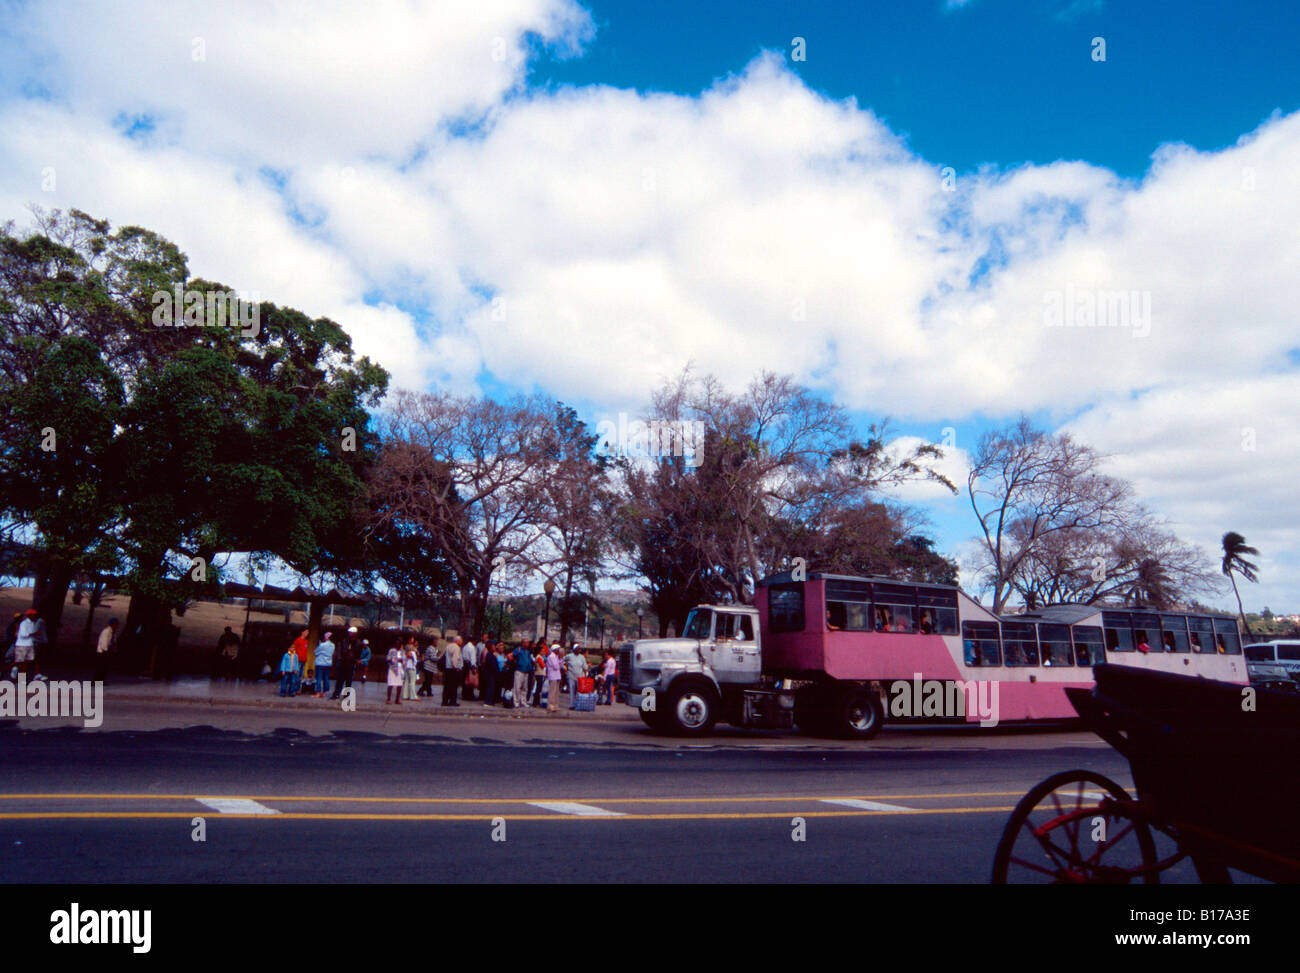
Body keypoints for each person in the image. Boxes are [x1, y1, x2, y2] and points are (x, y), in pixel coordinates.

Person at [10, 609, 39, 679]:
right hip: (22, 645)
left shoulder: (32, 623)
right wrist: (34, 634)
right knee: (20, 663)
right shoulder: (24, 624)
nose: (35, 616)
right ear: (29, 616)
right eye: (34, 615)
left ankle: (21, 680)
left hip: (29, 645)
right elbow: (23, 635)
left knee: (25, 664)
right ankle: (5, 670)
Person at [331, 628, 358, 700]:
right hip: (343, 663)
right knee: (340, 680)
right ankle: (336, 694)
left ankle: (346, 695)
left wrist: (354, 658)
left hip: (350, 663)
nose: (350, 634)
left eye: (351, 632)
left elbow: (357, 652)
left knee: (348, 681)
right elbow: (340, 651)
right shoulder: (344, 641)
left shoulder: (357, 643)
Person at [93, 618, 119, 683]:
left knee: (105, 667)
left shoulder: (113, 632)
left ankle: (101, 680)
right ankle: (96, 681)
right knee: (100, 667)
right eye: (116, 624)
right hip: (102, 652)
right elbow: (104, 642)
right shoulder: (106, 631)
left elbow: (113, 641)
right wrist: (106, 650)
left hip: (108, 651)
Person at [441, 637, 464, 706]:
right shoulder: (457, 648)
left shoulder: (448, 646)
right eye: (461, 641)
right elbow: (455, 659)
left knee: (447, 686)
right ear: (457, 641)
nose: (461, 642)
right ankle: (452, 701)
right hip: (454, 669)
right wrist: (456, 667)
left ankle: (445, 701)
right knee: (454, 686)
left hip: (447, 668)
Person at [512, 641, 534, 709]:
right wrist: (517, 663)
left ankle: (523, 701)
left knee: (524, 688)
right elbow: (513, 656)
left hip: (526, 671)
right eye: (526, 642)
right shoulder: (518, 649)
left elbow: (529, 660)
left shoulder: (527, 651)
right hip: (519, 670)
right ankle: (516, 702)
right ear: (523, 643)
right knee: (517, 687)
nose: (527, 644)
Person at [313, 632, 334, 697]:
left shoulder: (322, 645)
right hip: (328, 663)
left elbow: (315, 652)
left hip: (320, 663)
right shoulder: (333, 645)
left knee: (319, 678)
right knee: (326, 678)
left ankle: (318, 692)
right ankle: (324, 692)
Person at [290, 628, 310, 695]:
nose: (307, 633)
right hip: (297, 660)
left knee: (300, 676)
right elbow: (293, 649)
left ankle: (298, 689)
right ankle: (293, 690)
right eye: (306, 632)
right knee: (296, 676)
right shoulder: (297, 640)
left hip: (303, 660)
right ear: (302, 632)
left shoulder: (306, 641)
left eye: (308, 632)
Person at [566, 644, 587, 709]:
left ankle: (578, 704)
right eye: (577, 649)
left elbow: (585, 667)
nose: (579, 650)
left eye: (579, 649)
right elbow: (562, 661)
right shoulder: (569, 656)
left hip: (579, 677)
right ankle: (572, 705)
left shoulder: (582, 657)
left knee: (579, 691)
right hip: (571, 676)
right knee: (572, 691)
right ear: (574, 650)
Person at [479, 637, 498, 705]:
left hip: (491, 673)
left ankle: (490, 700)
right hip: (490, 673)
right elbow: (491, 665)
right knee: (489, 687)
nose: (495, 647)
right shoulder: (489, 655)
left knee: (491, 687)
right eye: (493, 646)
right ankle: (488, 701)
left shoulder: (491, 654)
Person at [545, 643, 563, 712]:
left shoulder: (556, 656)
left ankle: (555, 705)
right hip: (553, 676)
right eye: (558, 649)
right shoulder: (551, 657)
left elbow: (560, 665)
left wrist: (561, 659)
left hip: (557, 676)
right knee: (552, 692)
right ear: (554, 650)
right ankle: (550, 705)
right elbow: (556, 667)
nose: (559, 651)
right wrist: (560, 661)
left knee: (556, 692)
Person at [386, 640, 404, 704]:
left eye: (399, 644)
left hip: (400, 669)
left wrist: (402, 661)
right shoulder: (391, 651)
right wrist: (395, 661)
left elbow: (404, 660)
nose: (398, 645)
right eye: (397, 644)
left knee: (399, 685)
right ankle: (388, 699)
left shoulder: (402, 651)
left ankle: (397, 699)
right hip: (392, 669)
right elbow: (388, 659)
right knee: (390, 684)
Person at [461, 636, 478, 701]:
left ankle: (464, 695)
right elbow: (473, 658)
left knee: (465, 680)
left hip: (464, 664)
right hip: (469, 665)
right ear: (473, 641)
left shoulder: (465, 647)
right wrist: (474, 668)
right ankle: (470, 695)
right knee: (470, 680)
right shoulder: (472, 648)